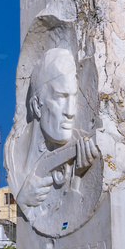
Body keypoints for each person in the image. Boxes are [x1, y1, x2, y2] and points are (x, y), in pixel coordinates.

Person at [17, 48, 97, 207]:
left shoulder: (77, 141)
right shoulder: (15, 157)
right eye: (61, 98)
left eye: (73, 98)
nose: (71, 112)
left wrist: (77, 177)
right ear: (37, 107)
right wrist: (22, 200)